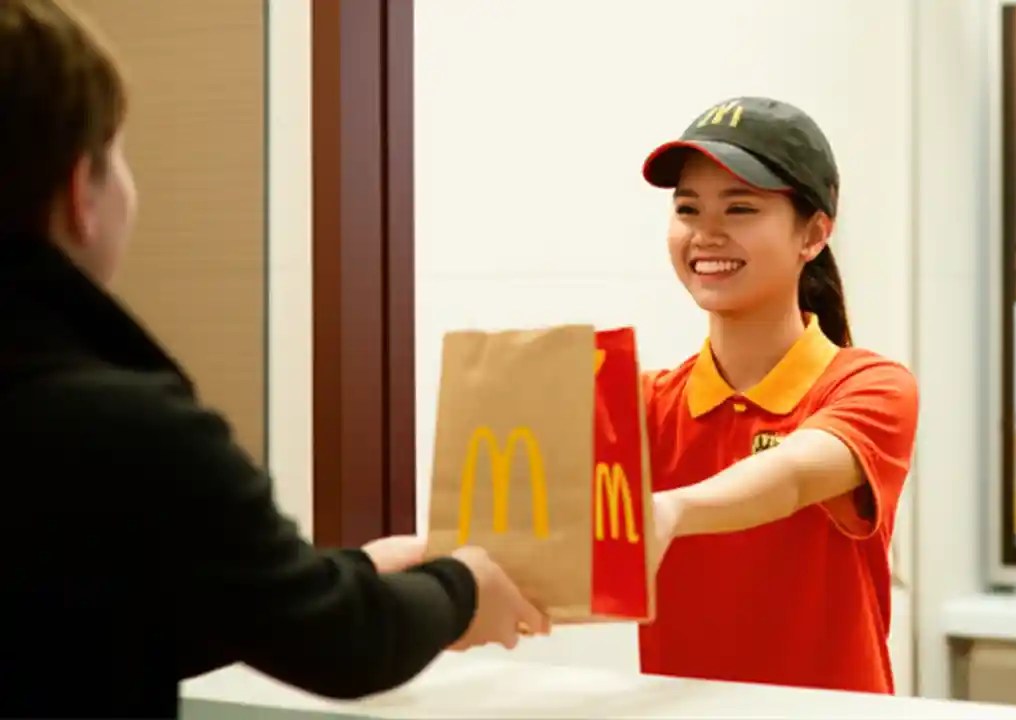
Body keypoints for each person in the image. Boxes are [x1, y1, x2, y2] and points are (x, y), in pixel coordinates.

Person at [0, 1, 547, 717]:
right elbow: (342, 641)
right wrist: (461, 587)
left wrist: (351, 572)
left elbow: (117, 622)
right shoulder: (125, 427)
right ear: (82, 192)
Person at [636, 97, 920, 694]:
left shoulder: (871, 388)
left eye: (739, 208)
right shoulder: (646, 405)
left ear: (813, 234)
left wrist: (671, 510)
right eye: (688, 209)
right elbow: (540, 520)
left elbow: (791, 475)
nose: (705, 233)